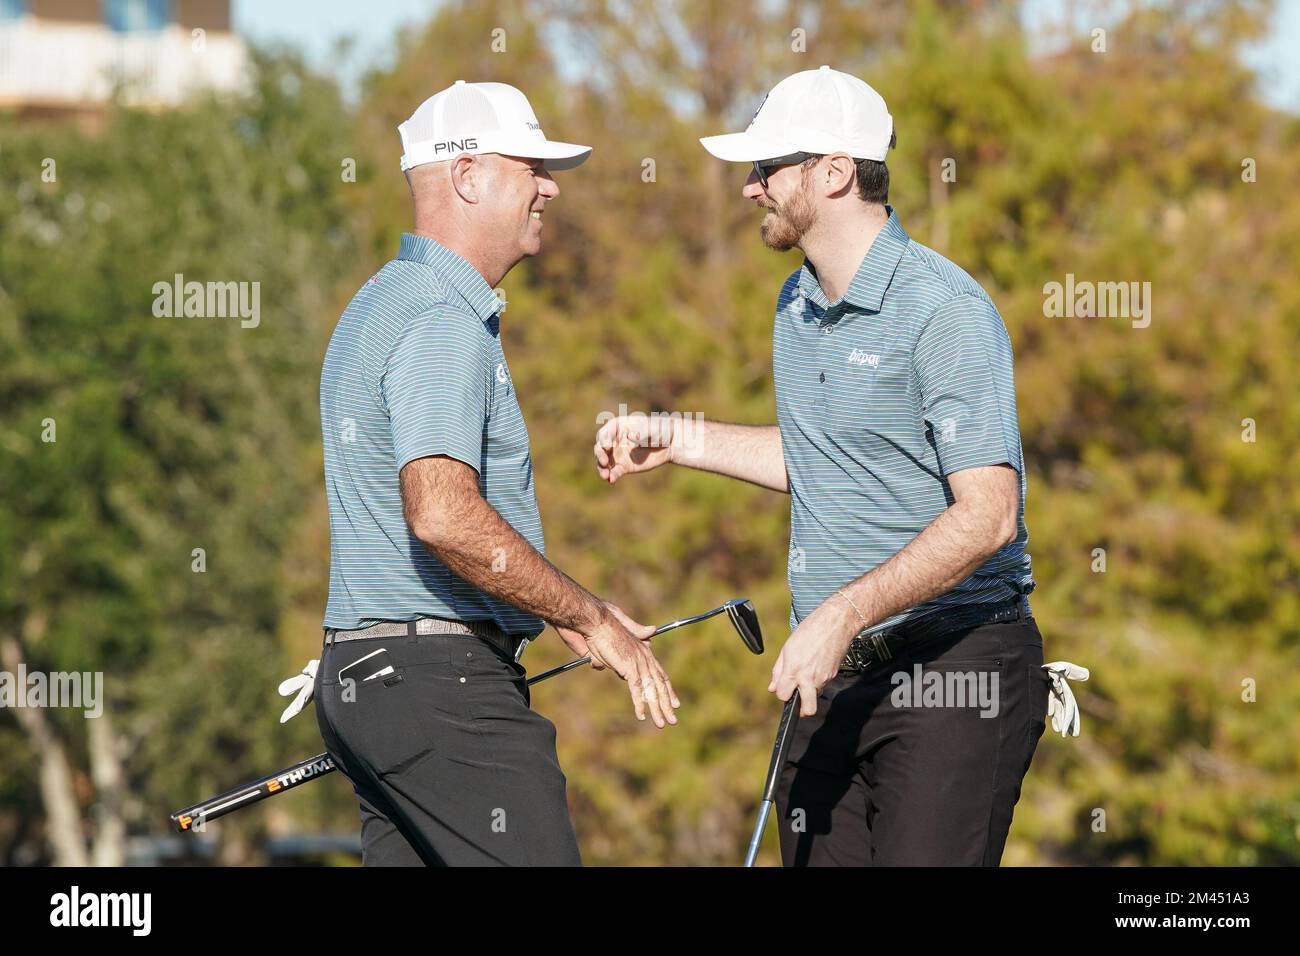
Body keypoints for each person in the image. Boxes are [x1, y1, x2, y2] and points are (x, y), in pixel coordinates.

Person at [595, 66, 1049, 866]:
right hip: (832, 683)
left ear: (834, 172)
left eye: (768, 168)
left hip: (955, 672)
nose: (750, 188)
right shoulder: (793, 306)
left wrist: (841, 613)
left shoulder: (947, 312)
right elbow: (827, 459)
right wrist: (679, 437)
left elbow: (989, 515)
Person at [316, 80, 678, 867]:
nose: (550, 186)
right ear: (468, 176)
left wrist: (562, 606)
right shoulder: (442, 320)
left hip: (367, 681)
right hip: (441, 692)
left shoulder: (382, 302)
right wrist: (585, 617)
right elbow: (441, 513)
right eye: (532, 167)